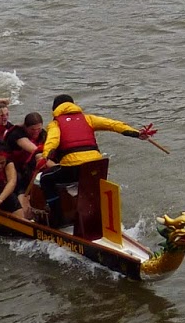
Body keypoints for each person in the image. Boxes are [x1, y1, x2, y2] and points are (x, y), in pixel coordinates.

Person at [36, 95, 156, 227]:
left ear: (55, 109)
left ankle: (58, 219)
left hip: (72, 168)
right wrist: (137, 134)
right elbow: (114, 124)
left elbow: (53, 140)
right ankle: (98, 218)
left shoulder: (55, 124)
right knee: (87, 178)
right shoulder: (88, 119)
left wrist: (45, 156)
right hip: (95, 166)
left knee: (45, 179)